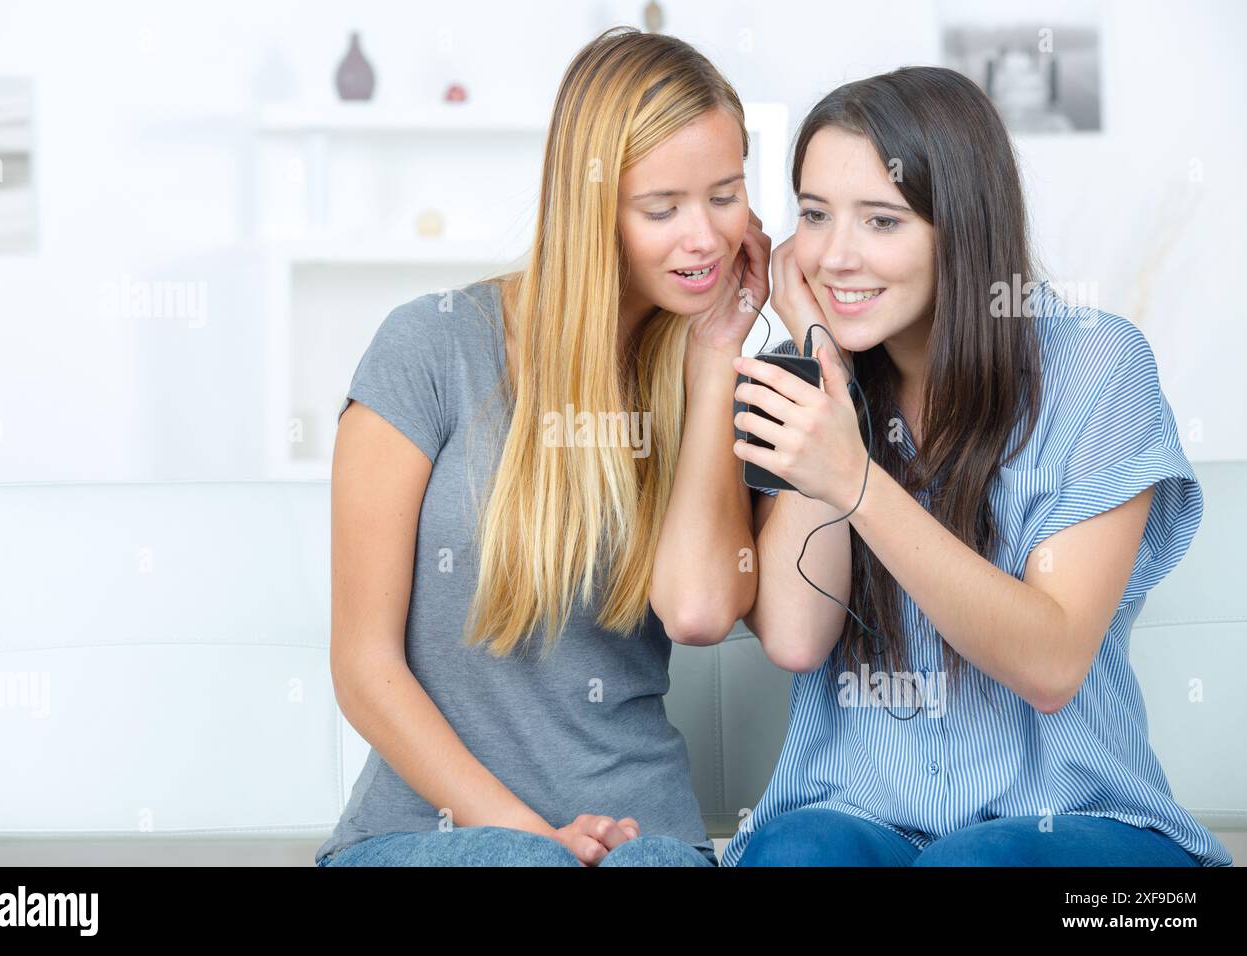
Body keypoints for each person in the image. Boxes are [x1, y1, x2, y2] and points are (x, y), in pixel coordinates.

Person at [725, 65, 1232, 867]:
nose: (835, 256)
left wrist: (857, 482)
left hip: (1078, 823)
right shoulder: (813, 381)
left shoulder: (1096, 368)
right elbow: (793, 636)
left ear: (962, 228)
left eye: (882, 221)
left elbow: (1051, 663)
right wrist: (827, 372)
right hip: (861, 814)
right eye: (815, 215)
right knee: (791, 856)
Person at [318, 26, 770, 867]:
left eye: (725, 195)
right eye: (662, 208)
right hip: (432, 836)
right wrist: (539, 842)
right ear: (590, 204)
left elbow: (703, 612)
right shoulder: (431, 347)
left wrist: (714, 369)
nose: (704, 237)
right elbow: (363, 665)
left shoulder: (725, 386)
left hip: (648, 834)